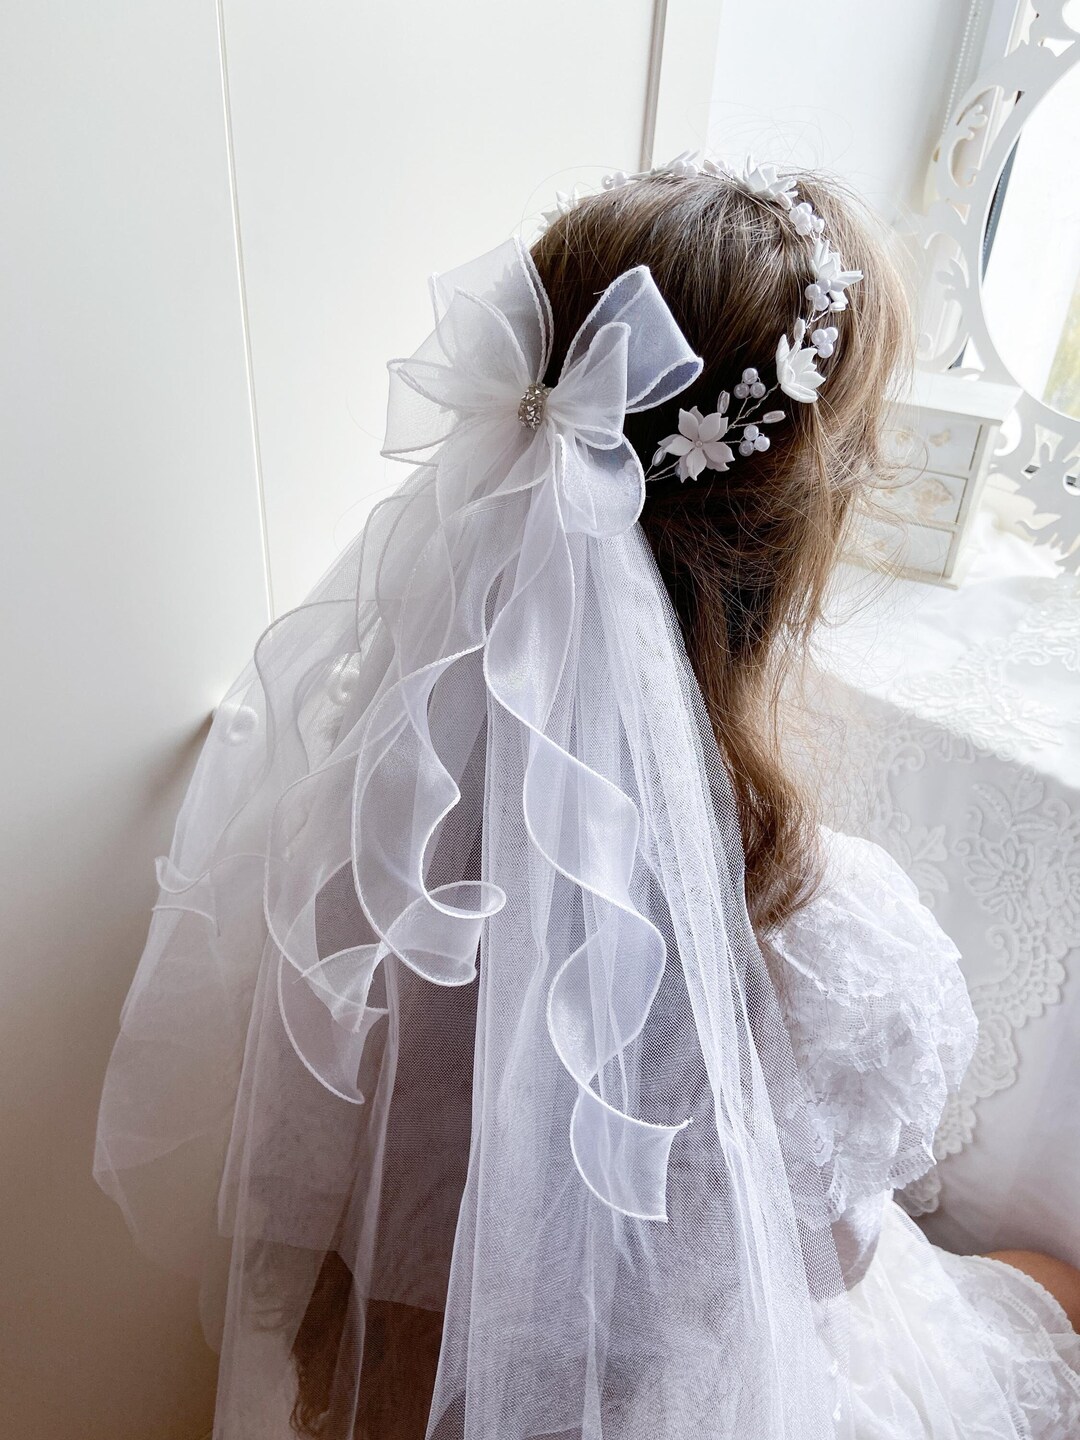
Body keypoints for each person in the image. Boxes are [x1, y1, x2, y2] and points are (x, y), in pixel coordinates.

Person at [94, 155, 1080, 1438]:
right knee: (1045, 1292)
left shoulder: (372, 832)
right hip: (668, 1401)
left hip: (391, 1388)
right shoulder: (833, 940)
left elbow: (316, 1176)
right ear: (798, 542)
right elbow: (825, 1272)